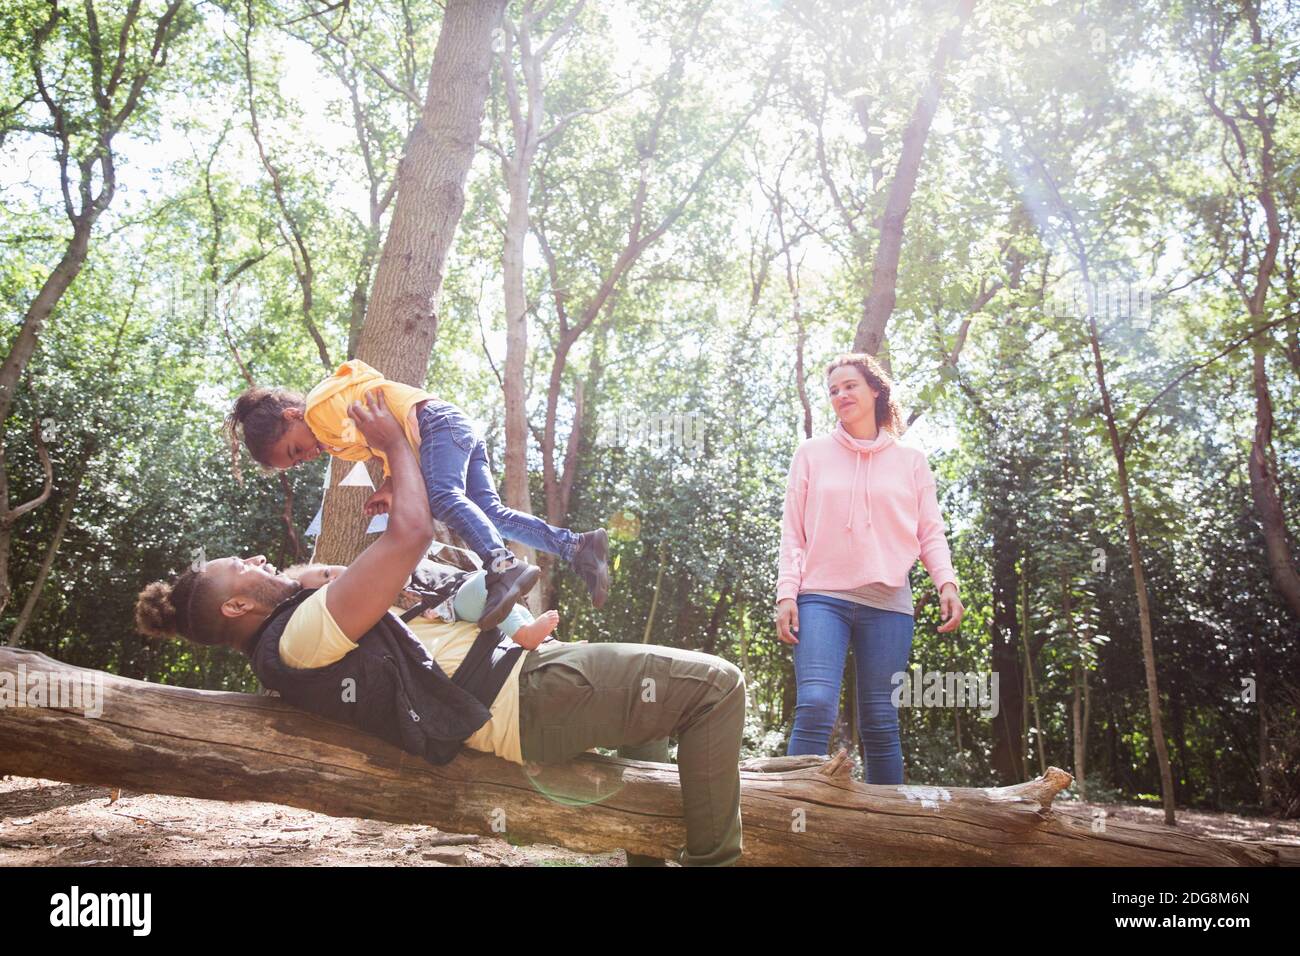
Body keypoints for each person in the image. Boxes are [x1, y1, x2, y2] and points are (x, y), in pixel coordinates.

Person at [138, 390, 743, 865]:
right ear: (235, 608)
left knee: (657, 718)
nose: (258, 561)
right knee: (718, 687)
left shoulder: (297, 632)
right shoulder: (298, 637)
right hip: (526, 694)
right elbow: (412, 535)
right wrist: (394, 446)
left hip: (525, 683)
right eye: (241, 568)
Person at [224, 358, 609, 630]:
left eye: (296, 449)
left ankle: (502, 568)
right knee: (488, 513)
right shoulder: (336, 443)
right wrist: (391, 483)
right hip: (450, 427)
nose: (307, 456)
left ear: (292, 416)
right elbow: (385, 445)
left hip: (434, 424)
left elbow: (375, 403)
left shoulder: (321, 409)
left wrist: (391, 444)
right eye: (297, 462)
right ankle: (578, 547)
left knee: (443, 497)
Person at [775, 353, 964, 784]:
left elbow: (930, 531)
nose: (841, 395)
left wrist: (946, 583)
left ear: (876, 390)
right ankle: (789, 816)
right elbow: (793, 533)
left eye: (850, 386)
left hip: (889, 604)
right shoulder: (811, 454)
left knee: (881, 719)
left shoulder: (911, 460)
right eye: (834, 390)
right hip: (822, 597)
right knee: (817, 703)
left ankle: (888, 834)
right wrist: (787, 593)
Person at [285, 561, 561, 649]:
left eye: (326, 572)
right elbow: (401, 597)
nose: (333, 577)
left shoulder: (368, 565)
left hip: (454, 587)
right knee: (487, 587)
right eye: (327, 585)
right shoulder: (368, 592)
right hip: (452, 603)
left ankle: (550, 643)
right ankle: (525, 636)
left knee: (510, 602)